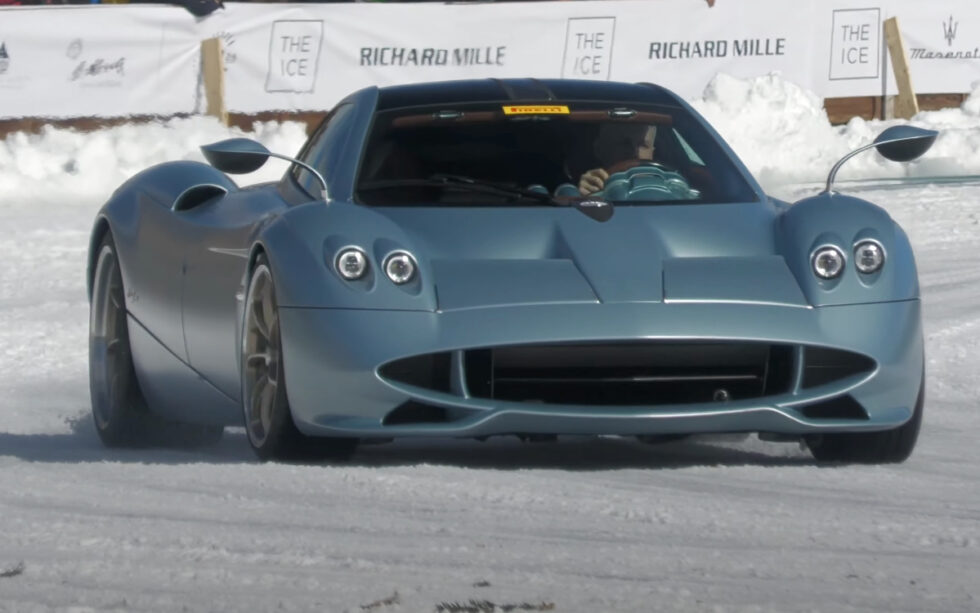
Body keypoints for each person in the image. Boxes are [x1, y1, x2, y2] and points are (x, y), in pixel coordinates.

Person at [577, 122, 656, 196]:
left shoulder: (663, 189)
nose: (635, 153)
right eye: (625, 144)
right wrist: (585, 196)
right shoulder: (594, 186)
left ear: (652, 152)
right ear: (599, 149)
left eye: (643, 145)